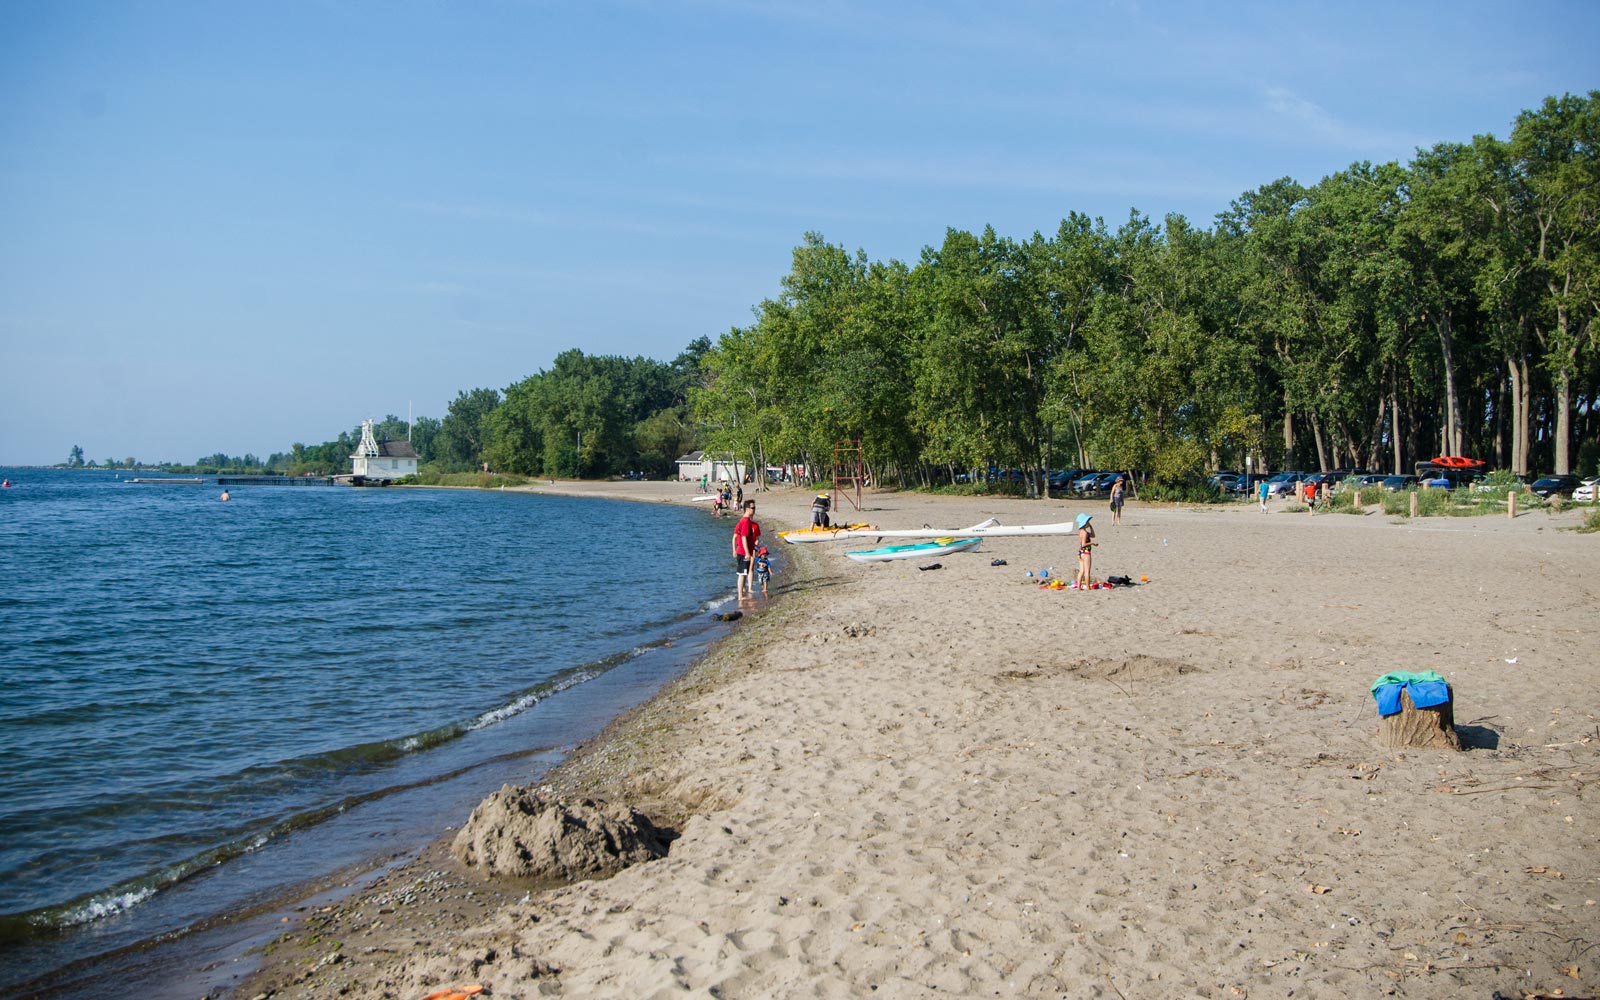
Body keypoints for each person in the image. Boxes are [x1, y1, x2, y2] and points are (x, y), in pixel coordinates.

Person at [732, 499, 761, 598]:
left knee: (745, 572)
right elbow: (743, 537)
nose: (754, 510)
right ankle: (740, 595)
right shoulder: (745, 521)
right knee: (741, 574)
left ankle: (743, 592)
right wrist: (747, 552)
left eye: (754, 508)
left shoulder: (747, 521)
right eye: (753, 508)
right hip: (743, 552)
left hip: (744, 551)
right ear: (747, 509)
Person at [1074, 512, 1096, 589]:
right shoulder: (1085, 533)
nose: (1088, 523)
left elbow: (1093, 535)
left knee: (1081, 571)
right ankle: (1087, 587)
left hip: (1081, 553)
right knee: (1087, 572)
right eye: (1087, 522)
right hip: (1086, 553)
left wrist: (1091, 526)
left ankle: (1079, 587)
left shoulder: (1080, 531)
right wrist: (1092, 543)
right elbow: (1083, 544)